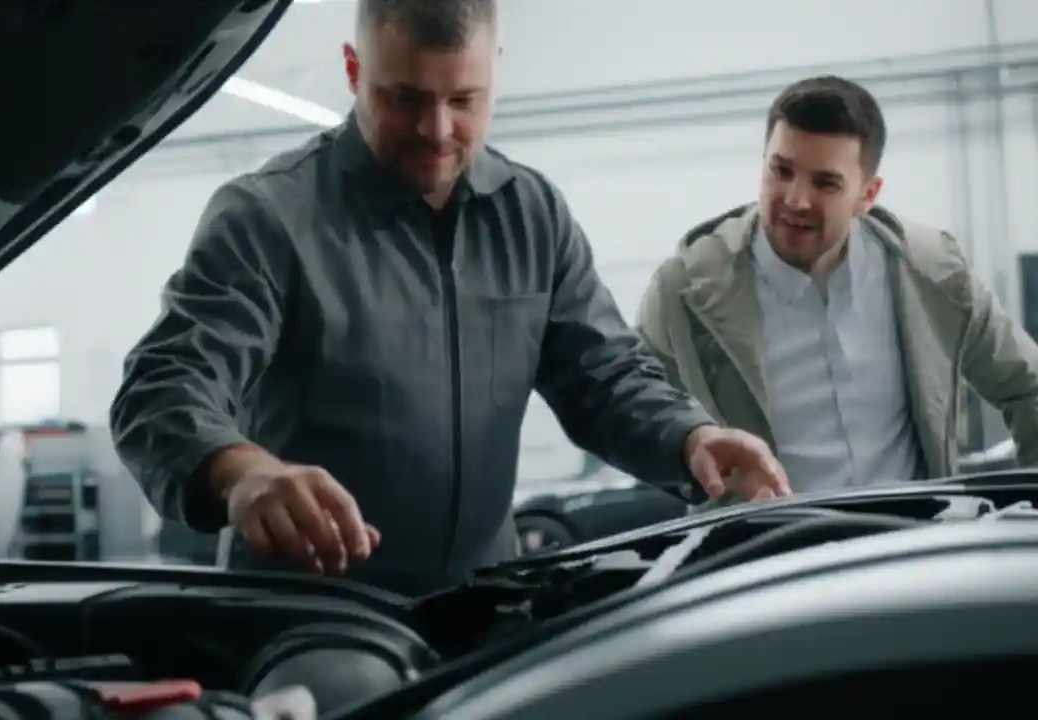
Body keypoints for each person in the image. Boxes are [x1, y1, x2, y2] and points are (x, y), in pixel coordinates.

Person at [109, 0, 790, 596]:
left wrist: (691, 436)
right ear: (353, 69)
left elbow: (604, 377)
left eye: (464, 100)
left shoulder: (532, 215)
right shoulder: (268, 218)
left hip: (483, 603)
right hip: (313, 614)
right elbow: (162, 388)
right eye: (405, 98)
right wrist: (240, 471)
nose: (436, 130)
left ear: (496, 70)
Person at [635, 75, 1038, 503]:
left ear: (867, 194)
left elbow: (1030, 387)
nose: (795, 199)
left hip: (912, 543)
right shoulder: (683, 292)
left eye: (825, 182)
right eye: (782, 171)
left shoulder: (932, 273)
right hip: (768, 552)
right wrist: (693, 453)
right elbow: (635, 411)